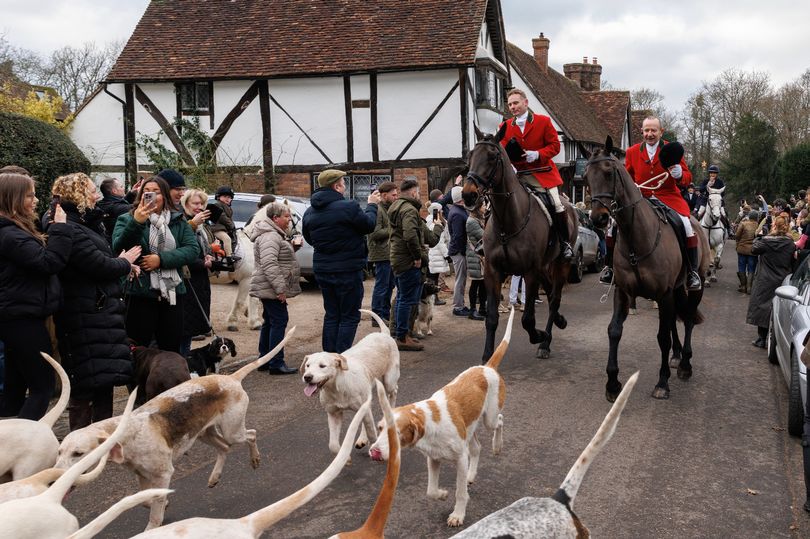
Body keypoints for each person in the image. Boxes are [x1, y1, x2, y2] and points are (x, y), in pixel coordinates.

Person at [48, 173, 140, 430]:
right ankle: (80, 442)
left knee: (104, 378)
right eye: (91, 190)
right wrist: (124, 262)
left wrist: (120, 264)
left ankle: (103, 438)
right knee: (86, 381)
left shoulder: (86, 223)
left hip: (99, 311)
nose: (97, 195)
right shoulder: (70, 227)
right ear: (77, 195)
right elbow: (95, 264)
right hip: (85, 312)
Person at [0, 172, 73, 420]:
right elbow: (49, 262)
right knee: (42, 388)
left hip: (16, 316)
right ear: (13, 198)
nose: (35, 201)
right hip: (22, 318)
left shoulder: (12, 230)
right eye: (30, 195)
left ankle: (7, 447)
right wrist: (61, 229)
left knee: (15, 388)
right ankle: (25, 446)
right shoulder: (9, 235)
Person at [602, 116, 700, 290]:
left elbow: (687, 178)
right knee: (612, 226)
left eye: (653, 130)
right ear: (642, 132)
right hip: (640, 199)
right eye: (646, 130)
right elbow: (626, 178)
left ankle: (692, 272)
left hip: (669, 197)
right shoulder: (632, 151)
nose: (650, 134)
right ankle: (609, 268)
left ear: (661, 132)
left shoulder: (673, 150)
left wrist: (679, 174)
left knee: (686, 225)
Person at [112, 176, 200, 353]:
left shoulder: (178, 220)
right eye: (146, 191)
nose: (150, 194)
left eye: (156, 191)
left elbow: (192, 250)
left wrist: (161, 260)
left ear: (165, 196)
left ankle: (169, 381)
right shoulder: (126, 219)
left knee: (170, 347)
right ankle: (137, 381)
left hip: (172, 293)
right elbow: (119, 247)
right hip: (140, 292)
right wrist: (136, 222)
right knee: (138, 348)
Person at [302, 169, 380, 353]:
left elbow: (310, 238)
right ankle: (341, 356)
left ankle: (328, 357)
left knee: (332, 315)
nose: (345, 187)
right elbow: (368, 225)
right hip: (348, 269)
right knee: (349, 316)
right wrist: (372, 205)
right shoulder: (349, 207)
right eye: (344, 183)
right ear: (336, 186)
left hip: (323, 268)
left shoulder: (309, 212)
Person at [498, 88, 573, 261]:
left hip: (542, 174)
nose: (513, 107)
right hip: (517, 175)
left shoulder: (543, 121)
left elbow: (555, 146)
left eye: (516, 103)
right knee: (494, 202)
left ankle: (565, 243)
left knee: (556, 204)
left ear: (526, 102)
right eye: (510, 104)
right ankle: (488, 240)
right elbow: (501, 150)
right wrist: (510, 166)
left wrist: (538, 154)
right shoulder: (505, 126)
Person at [388, 178, 442, 351]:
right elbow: (410, 235)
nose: (419, 196)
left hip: (400, 259)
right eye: (418, 193)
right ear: (413, 193)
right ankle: (402, 337)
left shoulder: (398, 207)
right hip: (408, 262)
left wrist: (437, 227)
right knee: (406, 299)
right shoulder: (409, 210)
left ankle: (403, 334)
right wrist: (417, 256)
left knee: (406, 298)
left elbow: (430, 239)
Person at [249, 201, 302, 374]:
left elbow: (277, 258)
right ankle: (276, 363)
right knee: (279, 321)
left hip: (268, 286)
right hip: (271, 287)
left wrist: (293, 247)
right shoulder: (270, 236)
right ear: (275, 218)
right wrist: (280, 289)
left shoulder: (274, 234)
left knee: (270, 322)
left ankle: (264, 360)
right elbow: (269, 263)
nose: (289, 220)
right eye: (286, 216)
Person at [747, 215, 795, 348]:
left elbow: (754, 249)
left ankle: (762, 338)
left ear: (775, 226)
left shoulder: (766, 241)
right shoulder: (790, 243)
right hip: (782, 279)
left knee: (762, 307)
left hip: (765, 279)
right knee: (778, 308)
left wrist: (761, 235)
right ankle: (773, 339)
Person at [179, 188, 214, 357]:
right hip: (188, 281)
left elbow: (200, 248)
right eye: (195, 203)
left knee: (189, 329)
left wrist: (208, 255)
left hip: (198, 280)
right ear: (185, 204)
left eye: (201, 203)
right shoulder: (184, 222)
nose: (199, 206)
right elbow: (183, 251)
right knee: (184, 329)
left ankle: (184, 363)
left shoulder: (201, 225)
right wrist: (202, 262)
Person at [368, 181, 398, 326]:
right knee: (382, 286)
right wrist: (393, 230)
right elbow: (374, 233)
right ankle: (376, 316)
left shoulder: (388, 209)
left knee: (390, 285)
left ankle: (385, 314)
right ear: (384, 195)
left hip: (389, 253)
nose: (396, 197)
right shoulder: (378, 210)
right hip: (381, 254)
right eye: (393, 195)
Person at [447, 186, 470, 316]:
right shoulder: (457, 213)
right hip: (458, 251)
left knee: (461, 278)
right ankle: (457, 307)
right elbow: (457, 235)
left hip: (459, 250)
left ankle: (460, 304)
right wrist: (462, 251)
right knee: (460, 279)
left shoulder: (458, 210)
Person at [465, 199, 487, 321]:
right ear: (477, 208)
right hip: (475, 256)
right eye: (483, 205)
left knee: (482, 283)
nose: (484, 207)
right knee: (475, 284)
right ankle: (472, 310)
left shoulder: (477, 219)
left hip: (479, 256)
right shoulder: (472, 222)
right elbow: (485, 236)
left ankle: (482, 308)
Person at [97, 177, 133, 245]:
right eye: (121, 187)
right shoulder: (118, 208)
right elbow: (138, 207)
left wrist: (131, 193)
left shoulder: (102, 204)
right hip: (119, 244)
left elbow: (118, 203)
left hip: (109, 241)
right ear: (114, 191)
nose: (123, 189)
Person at [735, 209, 759, 294]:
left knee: (741, 267)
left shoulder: (743, 224)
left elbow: (737, 236)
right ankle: (749, 288)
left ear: (749, 216)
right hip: (753, 251)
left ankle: (743, 286)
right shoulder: (758, 225)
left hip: (742, 249)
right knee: (751, 269)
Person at [210, 185, 237, 256]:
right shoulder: (217, 205)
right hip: (217, 229)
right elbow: (222, 217)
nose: (227, 199)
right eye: (225, 196)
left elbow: (230, 219)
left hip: (223, 229)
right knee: (227, 239)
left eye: (229, 197)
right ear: (218, 197)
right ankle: (229, 257)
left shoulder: (228, 207)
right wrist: (231, 225)